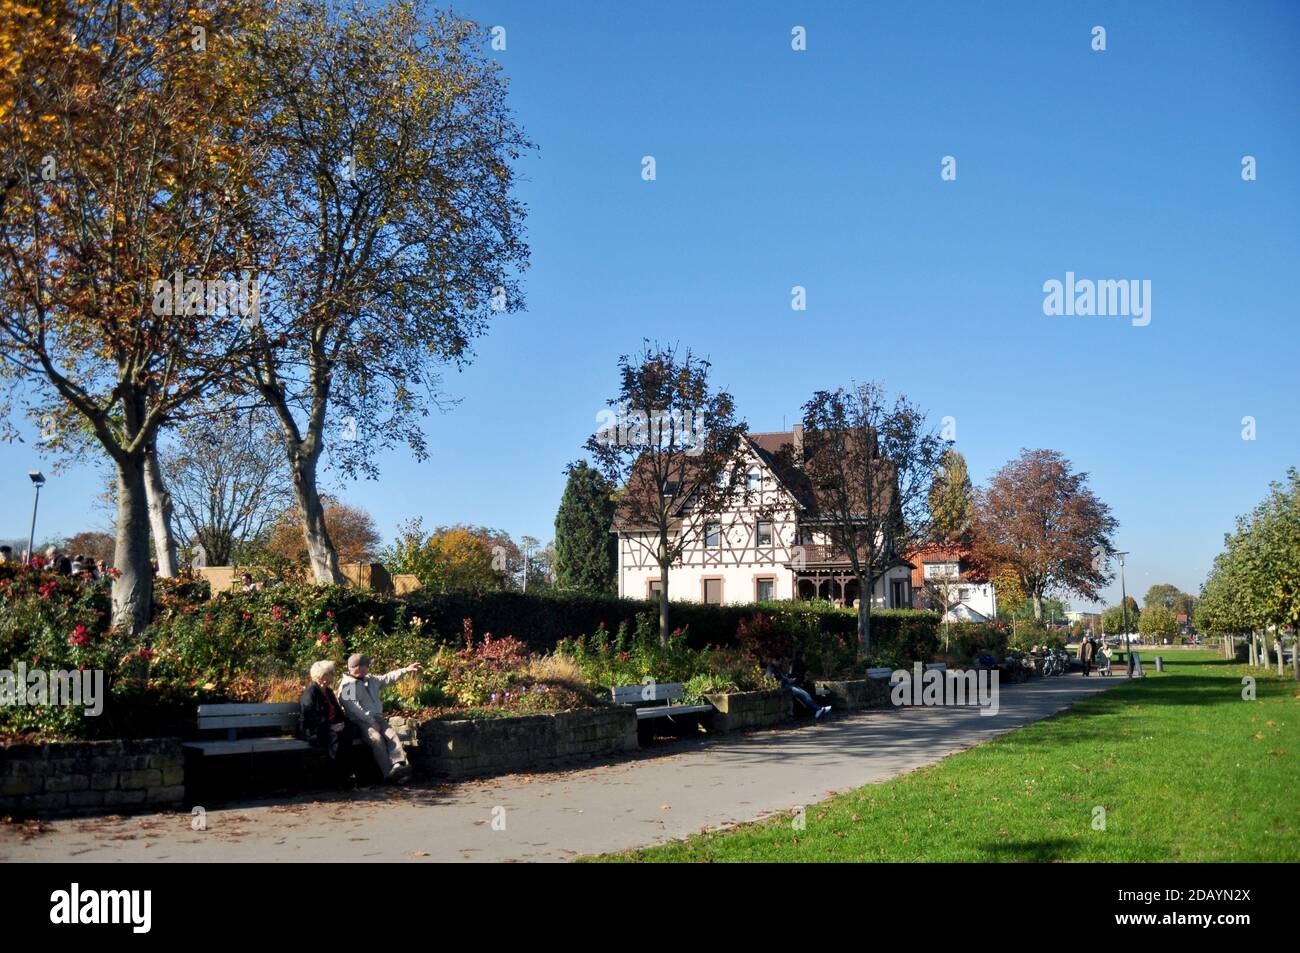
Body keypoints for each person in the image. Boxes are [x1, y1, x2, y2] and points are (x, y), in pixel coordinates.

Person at [338, 653, 423, 782]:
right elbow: (353, 709)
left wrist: (406, 670)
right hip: (359, 721)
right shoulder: (347, 686)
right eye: (367, 665)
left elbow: (387, 678)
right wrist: (371, 722)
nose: (368, 668)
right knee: (377, 740)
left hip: (377, 718)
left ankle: (397, 765)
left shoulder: (370, 679)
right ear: (358, 667)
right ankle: (387, 775)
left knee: (391, 734)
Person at [300, 661, 355, 782]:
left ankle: (346, 773)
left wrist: (343, 723)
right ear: (321, 676)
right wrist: (330, 727)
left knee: (349, 732)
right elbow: (311, 716)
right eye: (330, 673)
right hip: (314, 729)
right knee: (335, 737)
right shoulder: (310, 693)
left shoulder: (328, 692)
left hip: (330, 726)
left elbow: (338, 711)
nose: (332, 676)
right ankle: (334, 777)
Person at [766, 650, 831, 722]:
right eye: (780, 661)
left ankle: (820, 707)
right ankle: (818, 708)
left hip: (796, 683)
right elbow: (773, 680)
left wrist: (791, 679)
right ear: (775, 660)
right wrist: (789, 680)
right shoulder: (772, 668)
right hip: (788, 685)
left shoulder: (780, 667)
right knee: (807, 691)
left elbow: (791, 676)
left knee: (815, 689)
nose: (781, 663)